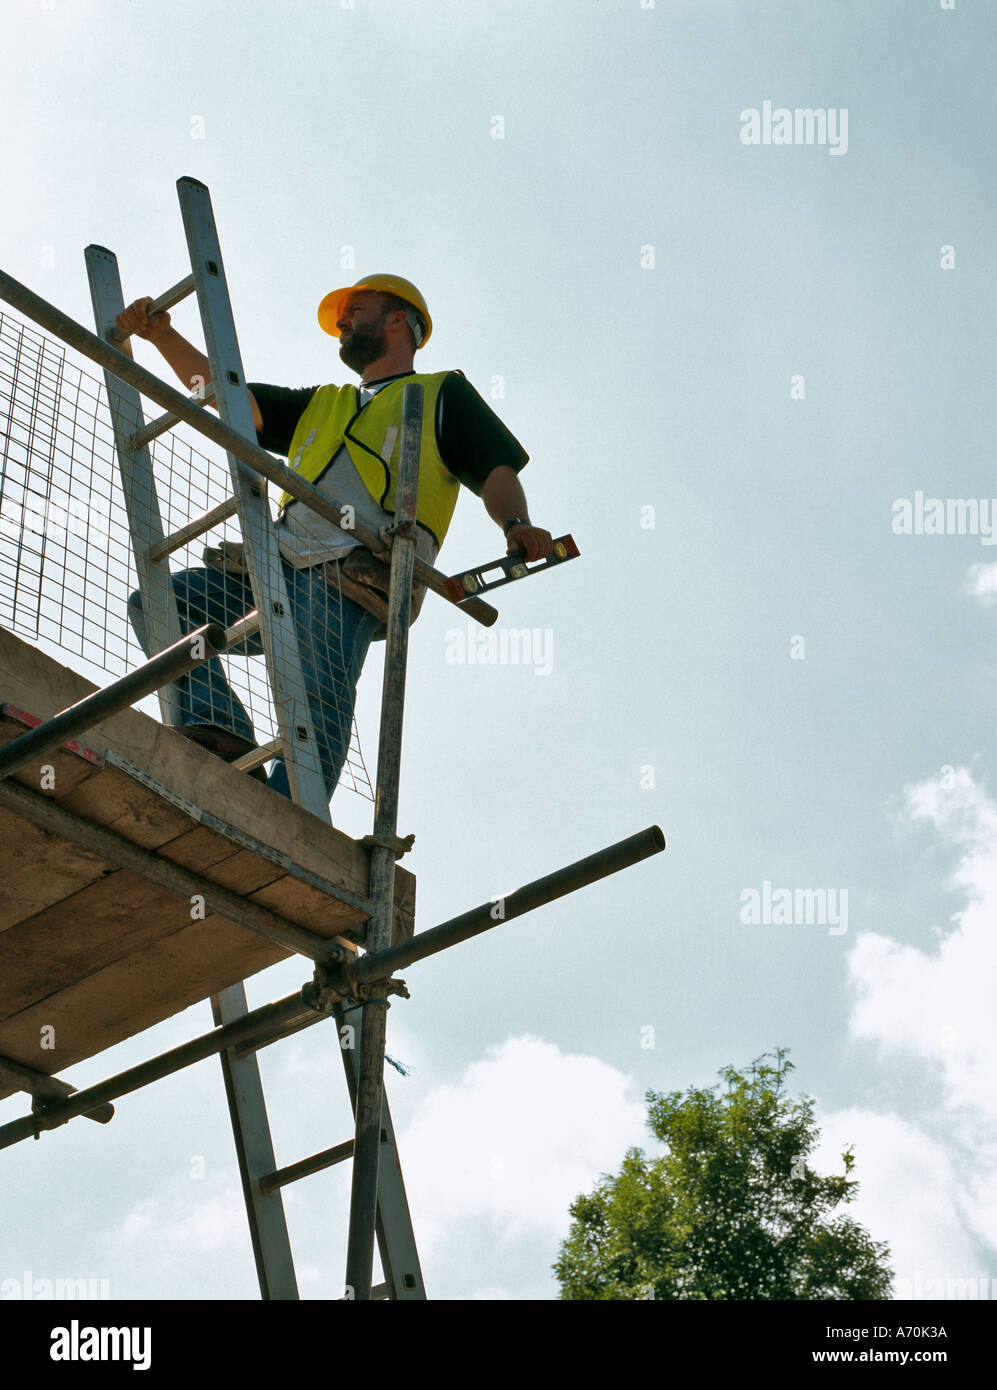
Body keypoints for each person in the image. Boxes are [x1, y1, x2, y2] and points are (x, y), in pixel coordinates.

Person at [117, 274, 552, 802]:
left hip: (350, 571)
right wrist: (162, 335)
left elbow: (494, 470)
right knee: (161, 605)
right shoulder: (324, 402)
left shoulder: (441, 393)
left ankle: (290, 814)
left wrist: (515, 523)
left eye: (357, 310)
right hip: (273, 560)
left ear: (399, 321)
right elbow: (230, 400)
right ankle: (221, 732)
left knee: (316, 699)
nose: (344, 323)